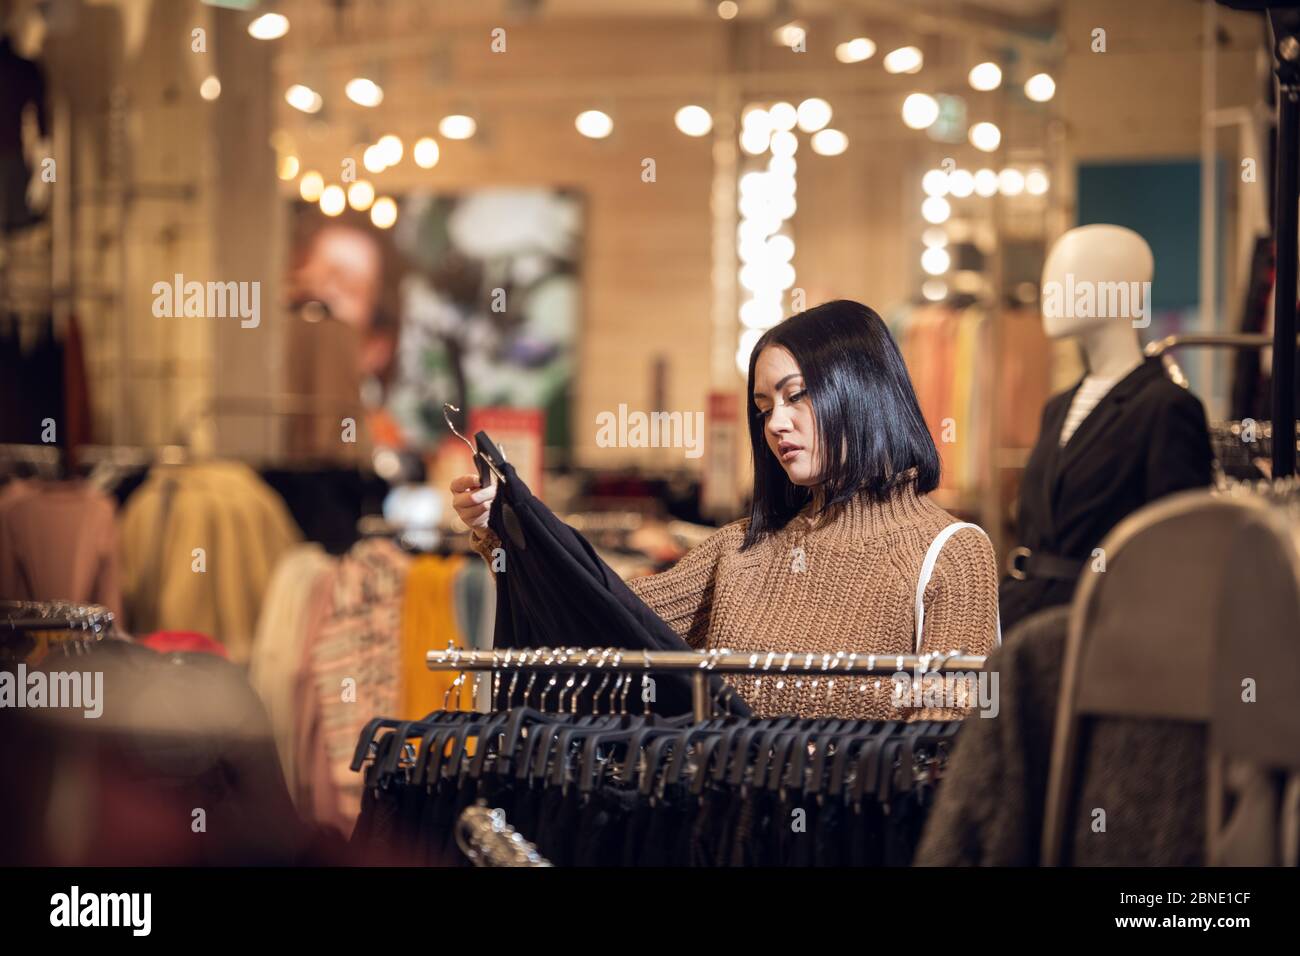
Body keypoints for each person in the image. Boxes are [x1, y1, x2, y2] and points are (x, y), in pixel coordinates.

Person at [451, 300, 999, 719]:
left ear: (861, 392)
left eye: (796, 396)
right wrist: (506, 530)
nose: (775, 424)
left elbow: (944, 748)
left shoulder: (950, 555)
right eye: (764, 408)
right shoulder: (740, 548)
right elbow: (603, 615)